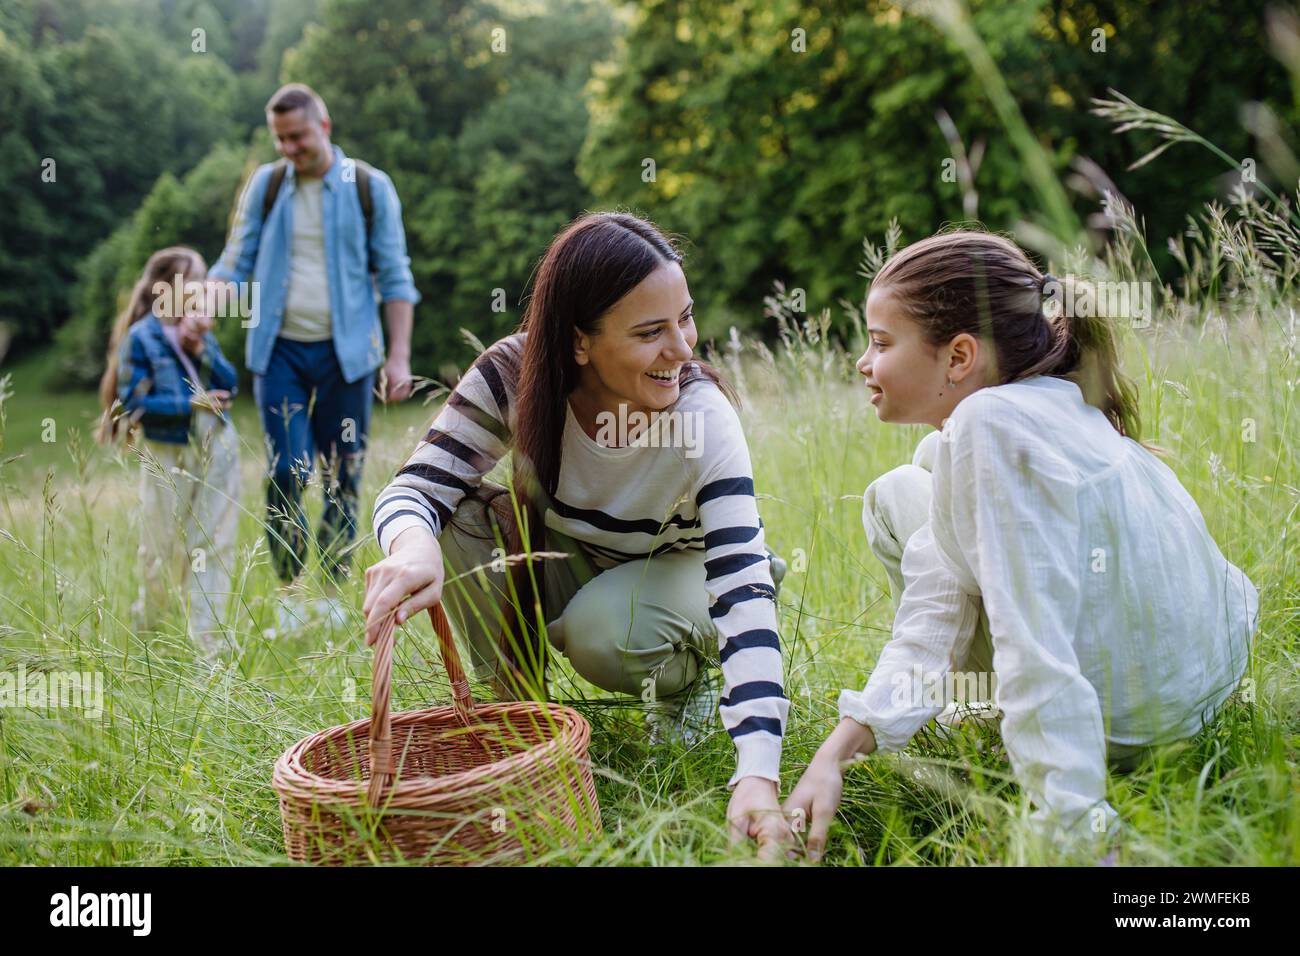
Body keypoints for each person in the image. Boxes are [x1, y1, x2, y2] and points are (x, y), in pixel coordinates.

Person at [784, 230, 1259, 857]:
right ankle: (971, 715)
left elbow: (1029, 633)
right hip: (1191, 694)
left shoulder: (990, 425)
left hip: (1131, 719)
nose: (863, 363)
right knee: (910, 484)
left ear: (958, 358)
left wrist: (1073, 816)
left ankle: (1001, 735)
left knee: (896, 494)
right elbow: (937, 605)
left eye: (880, 342)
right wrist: (833, 756)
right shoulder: (1050, 408)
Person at [363, 212, 792, 857]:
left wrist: (757, 771)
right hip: (588, 561)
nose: (682, 348)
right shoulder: (514, 375)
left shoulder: (702, 417)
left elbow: (742, 586)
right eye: (651, 332)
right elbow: (414, 489)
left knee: (600, 629)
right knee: (452, 518)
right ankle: (523, 732)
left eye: (686, 318)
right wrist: (413, 545)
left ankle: (686, 680)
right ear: (578, 342)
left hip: (691, 578)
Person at [208, 83, 421, 627]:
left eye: (297, 137)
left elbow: (396, 276)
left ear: (323, 127)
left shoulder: (370, 187)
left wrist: (398, 357)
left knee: (342, 470)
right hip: (278, 351)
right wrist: (204, 302)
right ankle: (289, 592)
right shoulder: (268, 184)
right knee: (286, 468)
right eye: (280, 139)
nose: (289, 149)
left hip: (348, 358)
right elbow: (236, 259)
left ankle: (329, 592)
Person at [98, 247, 241, 659]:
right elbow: (133, 403)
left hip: (217, 446)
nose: (202, 290)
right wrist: (190, 404)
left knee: (215, 543)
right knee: (159, 548)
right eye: (195, 280)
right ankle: (151, 630)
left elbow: (230, 384)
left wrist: (200, 349)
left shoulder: (199, 330)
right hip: (166, 451)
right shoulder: (140, 337)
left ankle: (208, 646)